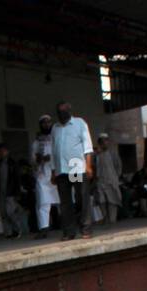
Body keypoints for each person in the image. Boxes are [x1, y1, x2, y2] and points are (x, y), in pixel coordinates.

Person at [51, 101, 94, 240]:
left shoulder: (79, 123)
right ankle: (69, 232)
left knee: (81, 197)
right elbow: (53, 150)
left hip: (76, 167)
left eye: (64, 111)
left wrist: (88, 166)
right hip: (61, 170)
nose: (62, 114)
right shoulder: (55, 128)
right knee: (65, 203)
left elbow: (87, 146)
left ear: (70, 111)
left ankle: (86, 228)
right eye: (59, 112)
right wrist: (53, 171)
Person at [31, 115, 59, 239]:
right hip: (43, 175)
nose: (46, 125)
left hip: (57, 174)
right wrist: (40, 159)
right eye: (44, 123)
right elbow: (33, 160)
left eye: (48, 122)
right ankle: (43, 229)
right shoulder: (36, 142)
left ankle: (69, 226)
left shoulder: (57, 138)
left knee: (65, 200)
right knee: (43, 203)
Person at [0, 143, 26, 237]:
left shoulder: (13, 164)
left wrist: (17, 193)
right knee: (3, 213)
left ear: (7, 151)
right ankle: (8, 232)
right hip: (0, 193)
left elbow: (17, 179)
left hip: (10, 193)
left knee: (10, 212)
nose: (2, 153)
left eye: (3, 151)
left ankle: (18, 229)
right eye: (0, 151)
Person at [94, 133, 123, 225]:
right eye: (103, 141)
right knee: (101, 200)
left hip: (111, 180)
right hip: (100, 181)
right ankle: (105, 217)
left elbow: (118, 166)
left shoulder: (113, 153)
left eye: (106, 141)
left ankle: (112, 219)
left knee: (112, 200)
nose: (105, 143)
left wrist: (116, 177)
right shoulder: (96, 154)